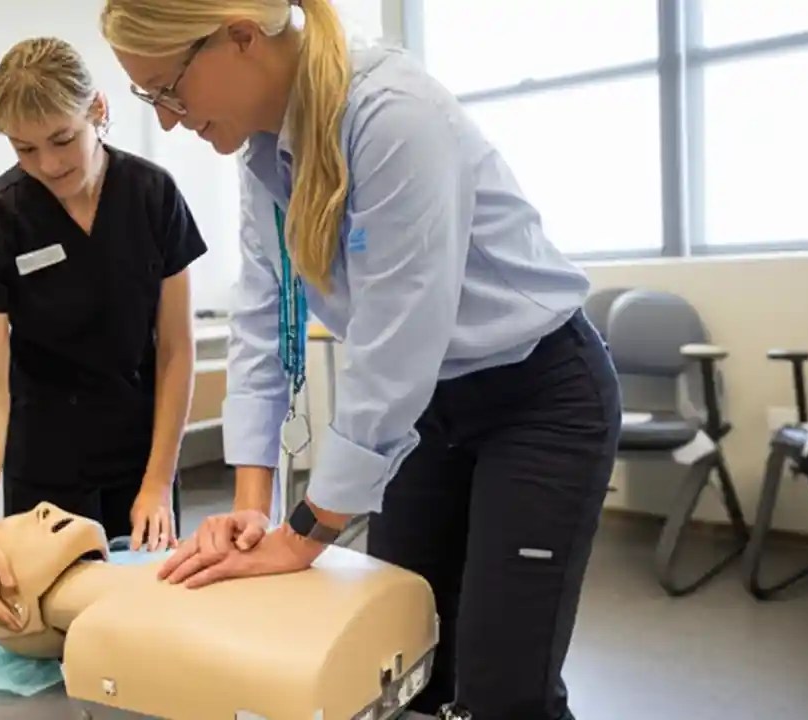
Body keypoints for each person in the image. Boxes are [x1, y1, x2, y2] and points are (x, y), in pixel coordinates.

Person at [100, 2, 622, 720]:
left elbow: (394, 351)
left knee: (505, 690)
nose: (166, 119)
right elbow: (260, 321)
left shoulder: (394, 117)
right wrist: (250, 514)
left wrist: (302, 535)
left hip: (536, 397)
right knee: (404, 653)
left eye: (167, 90)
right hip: (428, 412)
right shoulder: (261, 151)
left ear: (241, 39)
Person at [0, 37, 207, 630]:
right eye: (25, 149)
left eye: (62, 139)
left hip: (142, 451)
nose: (49, 164)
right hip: (46, 469)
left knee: (155, 626)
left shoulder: (152, 195)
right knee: (58, 635)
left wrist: (158, 482)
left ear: (98, 110)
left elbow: (175, 351)